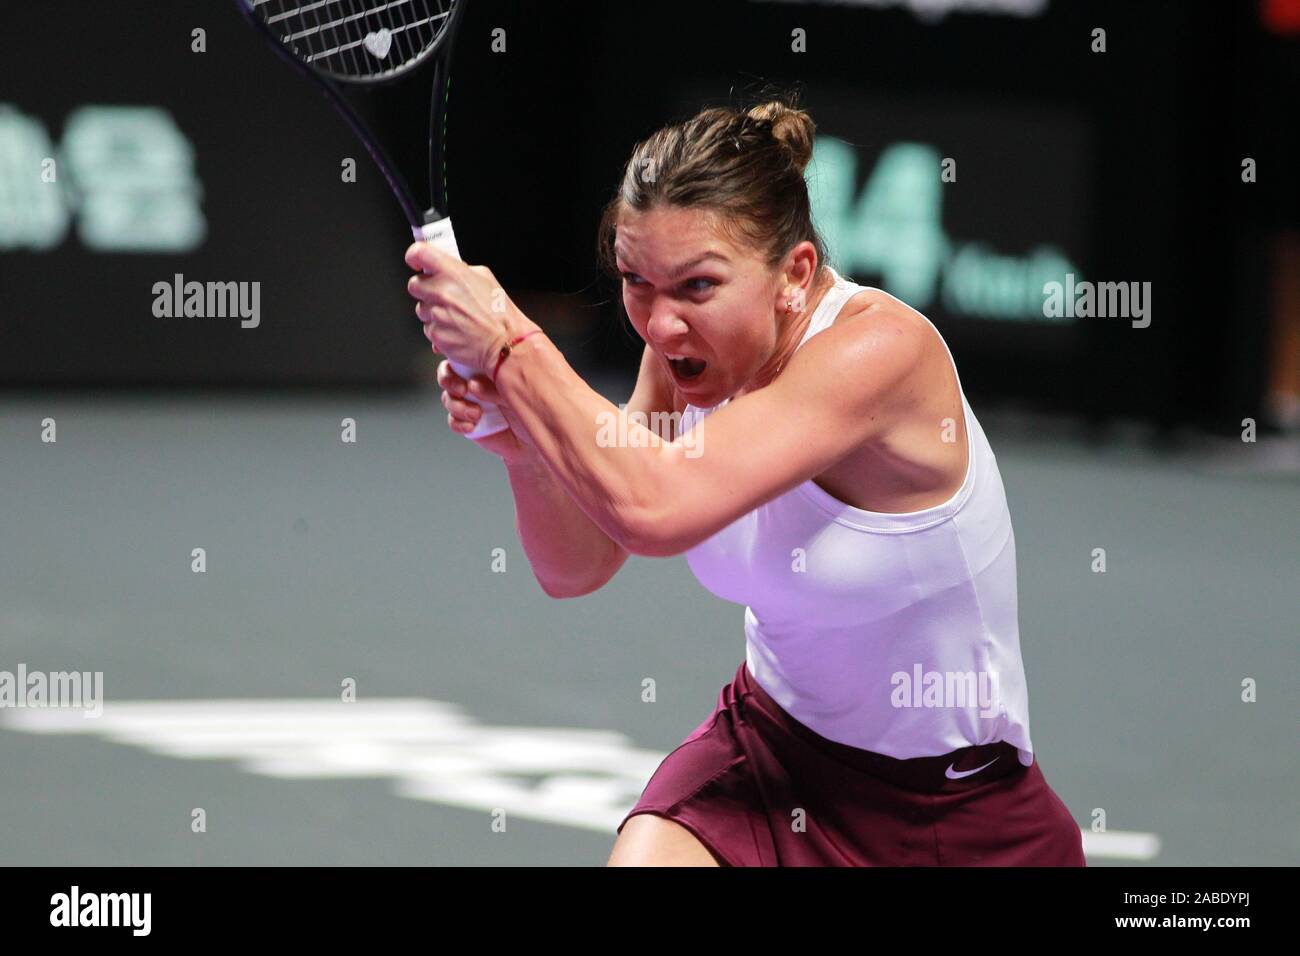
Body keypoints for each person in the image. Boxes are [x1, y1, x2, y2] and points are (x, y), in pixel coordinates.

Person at [404, 97, 1085, 867]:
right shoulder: (679, 359)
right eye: (636, 282)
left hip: (960, 814)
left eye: (698, 287)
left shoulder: (883, 353)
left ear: (794, 273)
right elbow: (580, 563)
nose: (661, 325)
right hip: (770, 763)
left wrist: (509, 346)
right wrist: (523, 446)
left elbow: (657, 506)